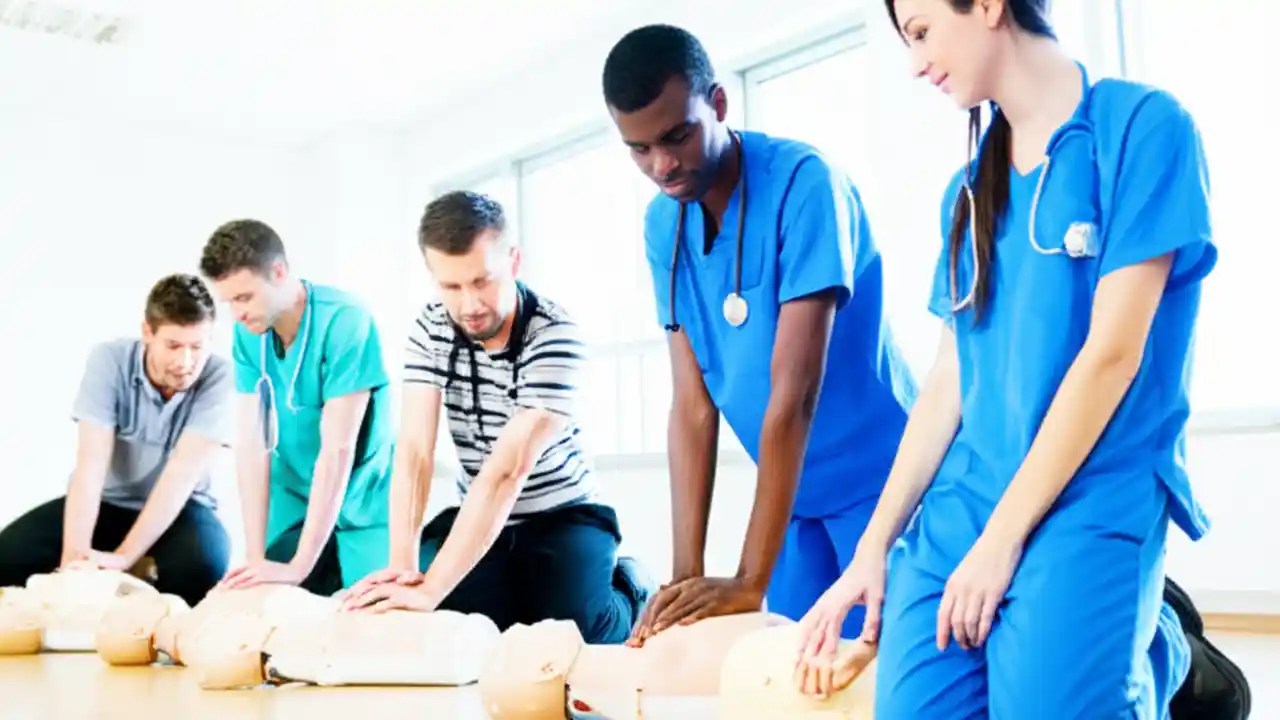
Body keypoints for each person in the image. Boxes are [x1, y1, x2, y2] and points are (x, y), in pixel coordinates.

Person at [793, 2, 1250, 719]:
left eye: (919, 32)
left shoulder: (1142, 130)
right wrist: (873, 548)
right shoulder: (969, 193)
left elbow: (1112, 355)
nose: (915, 62)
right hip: (966, 503)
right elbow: (948, 386)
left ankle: (1161, 651)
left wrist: (1003, 543)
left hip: (1092, 492)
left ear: (986, 5)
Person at [601, 24, 918, 645]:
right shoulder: (663, 224)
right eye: (639, 149)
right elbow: (692, 409)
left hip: (886, 491)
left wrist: (749, 576)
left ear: (717, 105)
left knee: (885, 681)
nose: (661, 165)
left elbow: (792, 396)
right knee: (793, 682)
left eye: (677, 136)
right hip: (796, 505)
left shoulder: (805, 184)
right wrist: (681, 584)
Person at [340, 191, 652, 644]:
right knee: (459, 621)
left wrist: (432, 589)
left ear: (513, 261)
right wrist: (403, 566)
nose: (469, 305)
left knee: (572, 635)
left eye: (482, 281)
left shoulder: (555, 334)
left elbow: (508, 470)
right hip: (479, 513)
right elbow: (412, 452)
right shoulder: (431, 328)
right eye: (451, 287)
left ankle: (630, 584)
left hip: (563, 514)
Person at [0, 274, 234, 605]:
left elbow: (181, 475)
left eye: (197, 347)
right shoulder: (109, 361)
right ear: (147, 333)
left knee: (203, 566)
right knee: (7, 557)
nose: (185, 363)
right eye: (173, 346)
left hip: (182, 508)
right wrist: (74, 559)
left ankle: (142, 609)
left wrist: (123, 558)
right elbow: (91, 466)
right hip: (111, 502)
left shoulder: (221, 378)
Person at [200, 219, 394, 595]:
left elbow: (337, 451)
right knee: (263, 596)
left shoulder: (345, 321)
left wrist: (298, 566)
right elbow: (251, 446)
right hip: (295, 497)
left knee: (368, 614)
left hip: (364, 501)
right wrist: (255, 557)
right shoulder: (248, 333)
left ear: (279, 272)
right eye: (229, 302)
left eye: (244, 297)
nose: (236, 314)